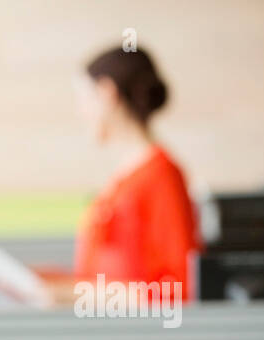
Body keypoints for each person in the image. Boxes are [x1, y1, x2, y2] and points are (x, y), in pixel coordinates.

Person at [37, 46, 199, 307]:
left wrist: (74, 294)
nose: (81, 113)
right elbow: (117, 277)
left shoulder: (161, 176)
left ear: (106, 92)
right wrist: (54, 283)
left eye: (84, 99)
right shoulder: (124, 177)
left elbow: (179, 291)